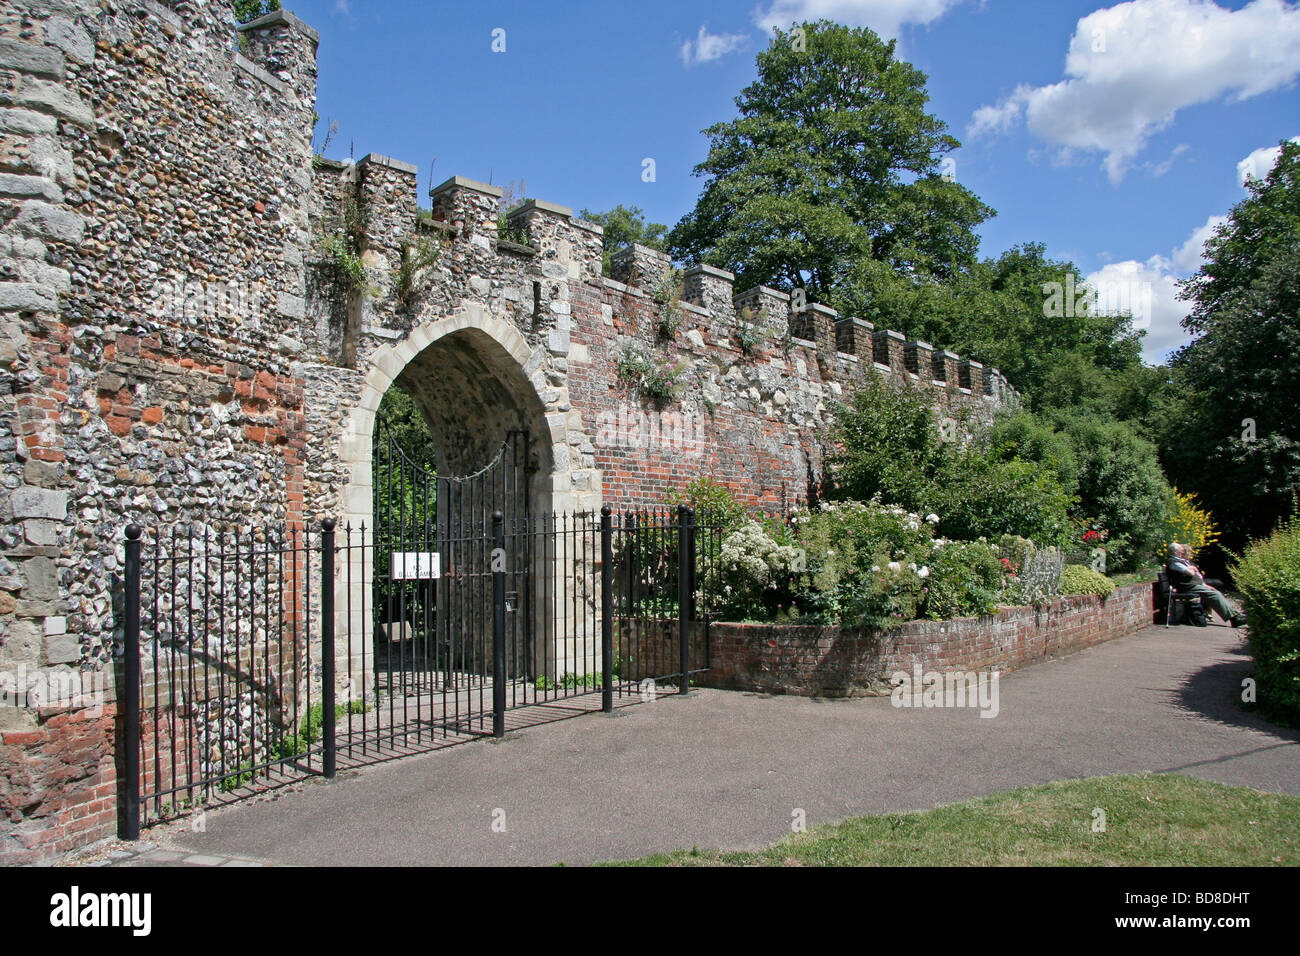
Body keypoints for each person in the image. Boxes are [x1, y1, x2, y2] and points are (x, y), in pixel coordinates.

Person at [1166, 543, 1247, 628]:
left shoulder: (1179, 561)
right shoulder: (1174, 562)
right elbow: (1190, 573)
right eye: (1180, 550)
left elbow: (1194, 573)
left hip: (1193, 586)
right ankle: (1234, 618)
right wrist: (1192, 569)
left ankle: (1235, 615)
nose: (1182, 551)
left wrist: (1203, 584)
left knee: (1214, 591)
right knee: (1214, 595)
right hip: (1188, 587)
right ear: (1175, 552)